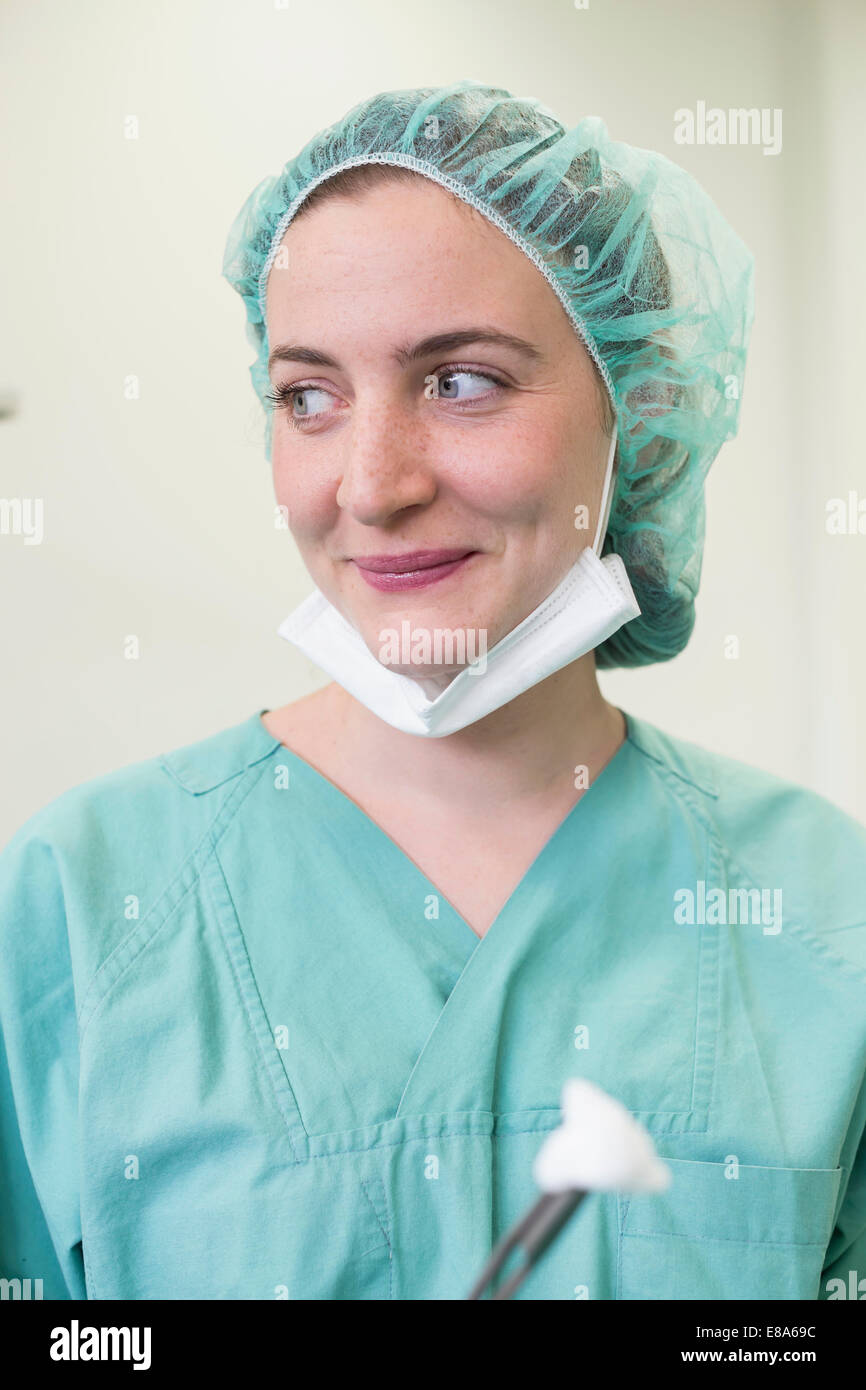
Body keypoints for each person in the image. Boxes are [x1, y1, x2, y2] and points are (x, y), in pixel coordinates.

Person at [1, 80, 864, 1302]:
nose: (369, 485)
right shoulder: (81, 908)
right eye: (307, 395)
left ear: (643, 414)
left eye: (460, 380)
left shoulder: (824, 918)